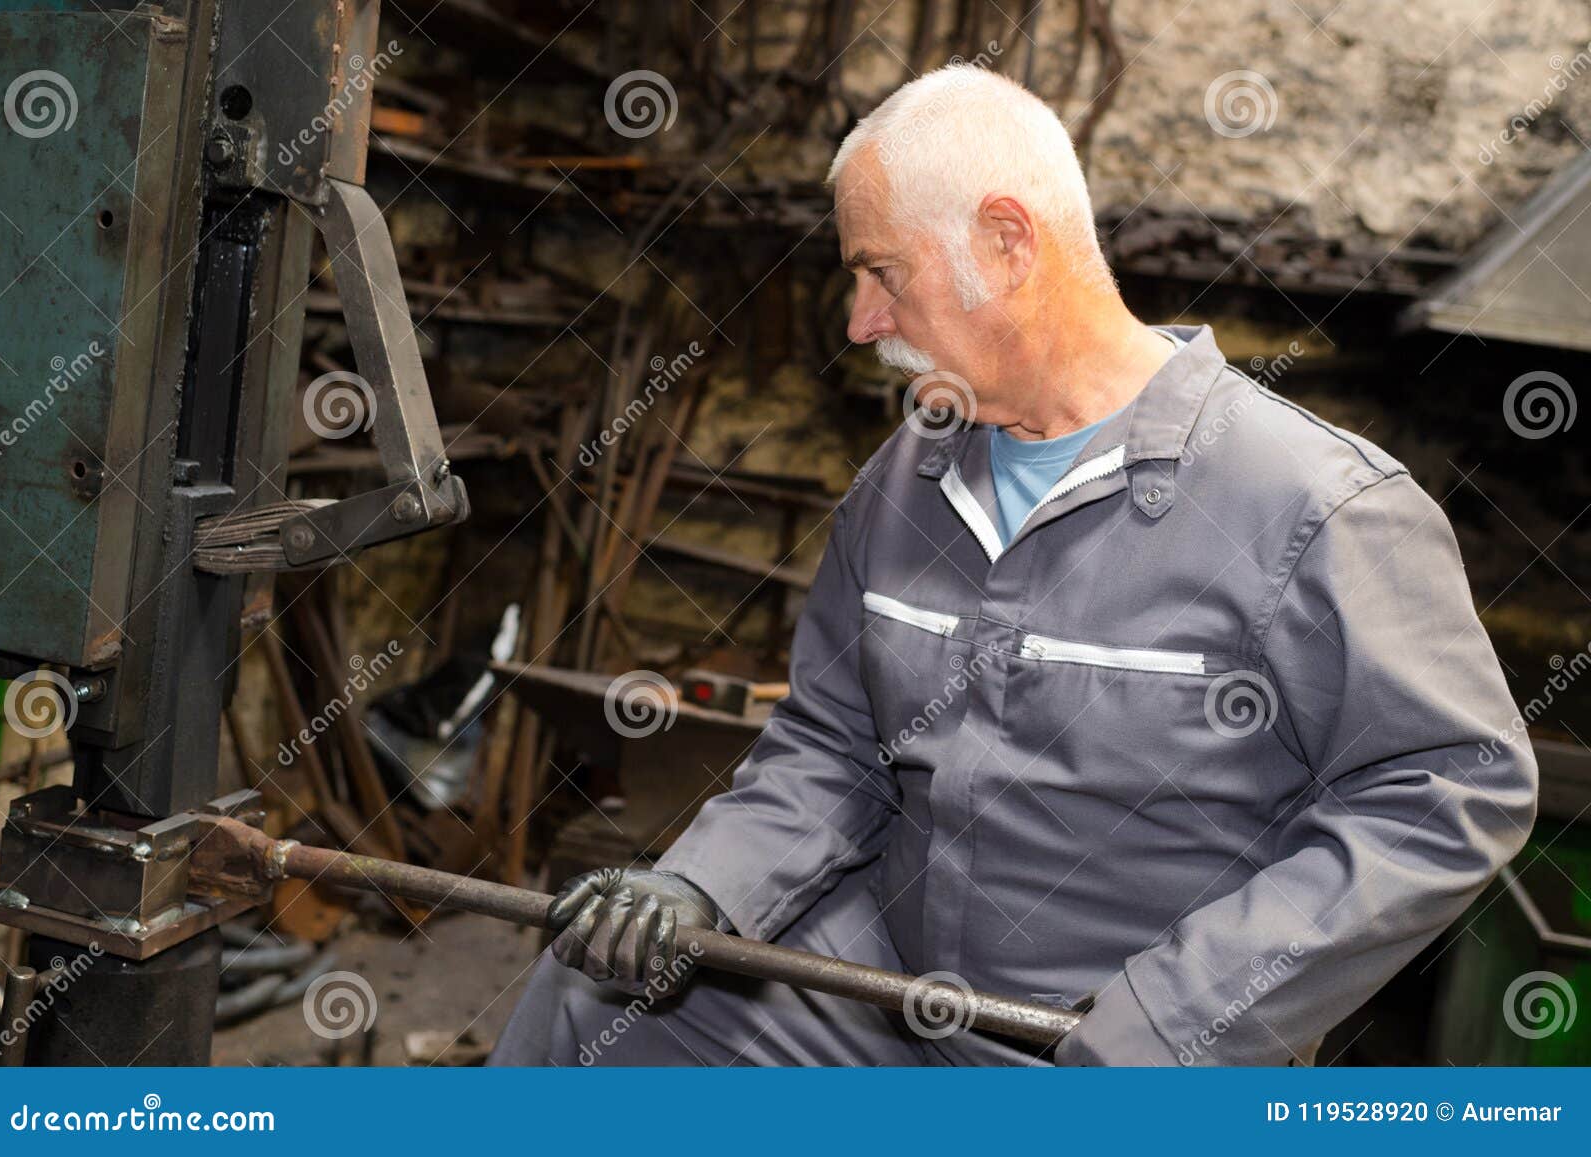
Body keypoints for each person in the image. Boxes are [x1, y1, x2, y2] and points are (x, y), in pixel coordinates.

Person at [490, 65, 1538, 1067]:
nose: (861, 322)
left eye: (878, 273)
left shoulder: (1313, 504)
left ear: (1004, 242)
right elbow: (833, 741)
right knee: (593, 1001)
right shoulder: (903, 481)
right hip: (885, 1001)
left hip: (1109, 1045)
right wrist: (702, 888)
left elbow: (1443, 788)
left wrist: (1177, 1015)